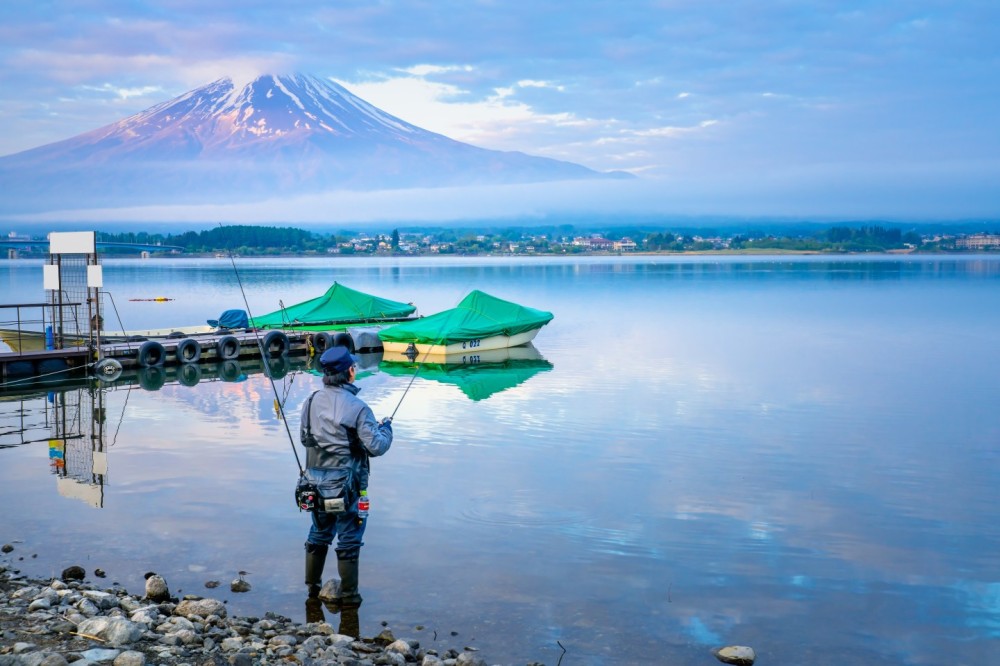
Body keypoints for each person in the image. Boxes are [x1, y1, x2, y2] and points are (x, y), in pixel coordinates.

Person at [301, 345, 393, 607]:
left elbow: (305, 439)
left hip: (314, 485)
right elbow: (376, 447)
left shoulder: (309, 402)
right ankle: (350, 599)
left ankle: (312, 592)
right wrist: (385, 430)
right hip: (347, 488)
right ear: (349, 372)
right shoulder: (359, 408)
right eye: (354, 366)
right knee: (350, 538)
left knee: (319, 532)